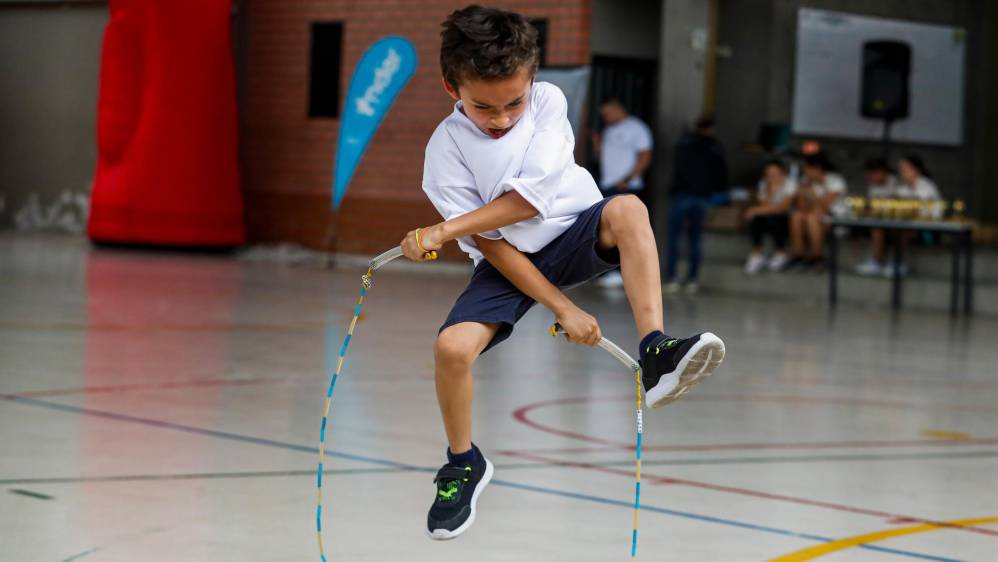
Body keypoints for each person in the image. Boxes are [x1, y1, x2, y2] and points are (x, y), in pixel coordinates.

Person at [400, 5, 726, 540]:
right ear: (450, 86)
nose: (501, 117)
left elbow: (529, 203)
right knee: (452, 349)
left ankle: (656, 351)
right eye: (483, 106)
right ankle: (463, 462)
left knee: (628, 210)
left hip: (576, 229)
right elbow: (495, 244)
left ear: (533, 79)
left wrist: (441, 231)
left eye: (513, 101)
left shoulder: (549, 102)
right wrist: (563, 308)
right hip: (509, 263)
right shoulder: (444, 151)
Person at [591, 98, 654, 288]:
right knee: (605, 231)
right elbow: (602, 156)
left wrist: (628, 179)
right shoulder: (609, 130)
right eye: (603, 115)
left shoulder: (637, 128)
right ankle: (609, 271)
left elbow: (645, 156)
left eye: (608, 113)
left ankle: (623, 272)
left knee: (624, 231)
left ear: (619, 108)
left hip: (626, 186)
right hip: (608, 184)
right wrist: (596, 141)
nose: (606, 117)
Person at [663, 115, 727, 294]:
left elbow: (678, 168)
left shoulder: (684, 144)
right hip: (702, 197)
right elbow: (721, 174)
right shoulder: (715, 147)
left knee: (674, 239)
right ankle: (692, 279)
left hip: (681, 195)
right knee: (696, 240)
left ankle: (672, 277)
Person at [857, 154, 942, 277]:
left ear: (916, 170)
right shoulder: (902, 189)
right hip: (904, 225)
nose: (901, 173)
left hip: (929, 230)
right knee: (878, 226)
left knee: (903, 228)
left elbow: (922, 214)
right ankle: (876, 262)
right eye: (900, 170)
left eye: (904, 169)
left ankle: (899, 263)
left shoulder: (926, 186)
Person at [786, 152, 847, 271]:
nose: (805, 172)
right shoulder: (805, 181)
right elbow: (801, 206)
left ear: (817, 168)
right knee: (796, 216)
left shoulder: (835, 180)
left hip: (835, 218)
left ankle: (817, 257)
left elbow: (825, 205)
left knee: (812, 218)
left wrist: (812, 194)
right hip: (813, 213)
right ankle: (798, 256)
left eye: (807, 168)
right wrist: (802, 192)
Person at [743, 160, 796, 274]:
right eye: (768, 173)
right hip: (769, 214)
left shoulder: (790, 183)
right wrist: (770, 188)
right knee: (758, 218)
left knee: (776, 218)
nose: (771, 175)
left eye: (774, 172)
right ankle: (757, 254)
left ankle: (780, 253)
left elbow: (784, 207)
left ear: (782, 172)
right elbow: (764, 205)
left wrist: (754, 210)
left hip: (786, 216)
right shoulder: (764, 183)